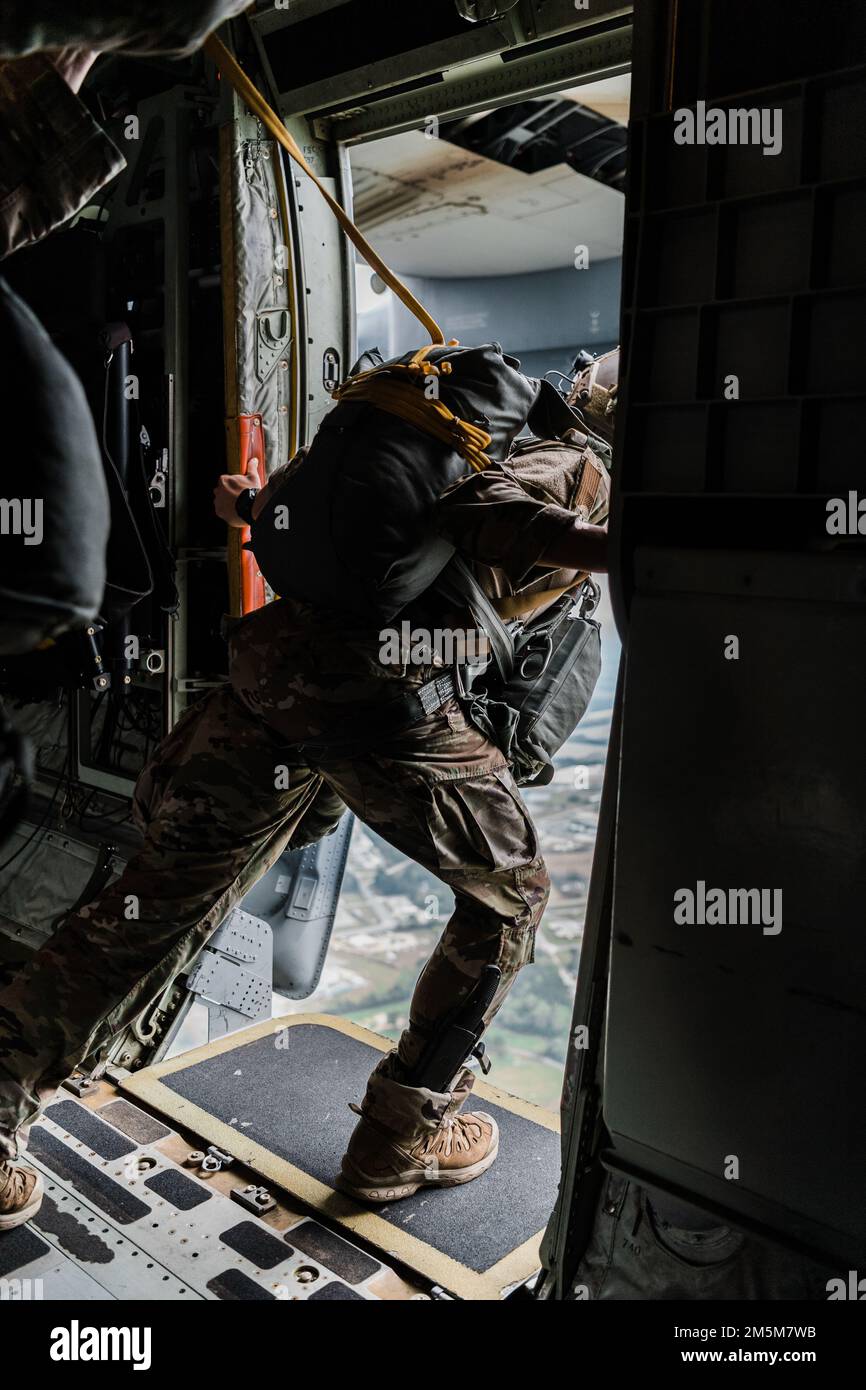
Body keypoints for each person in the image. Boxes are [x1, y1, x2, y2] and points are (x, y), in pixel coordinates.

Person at [0, 405, 610, 1225]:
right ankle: (400, 1140)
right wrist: (619, 547)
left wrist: (250, 507)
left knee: (155, 903)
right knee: (512, 899)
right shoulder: (579, 469)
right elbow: (479, 518)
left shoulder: (459, 430)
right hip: (376, 697)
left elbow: (357, 524)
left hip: (276, 673)